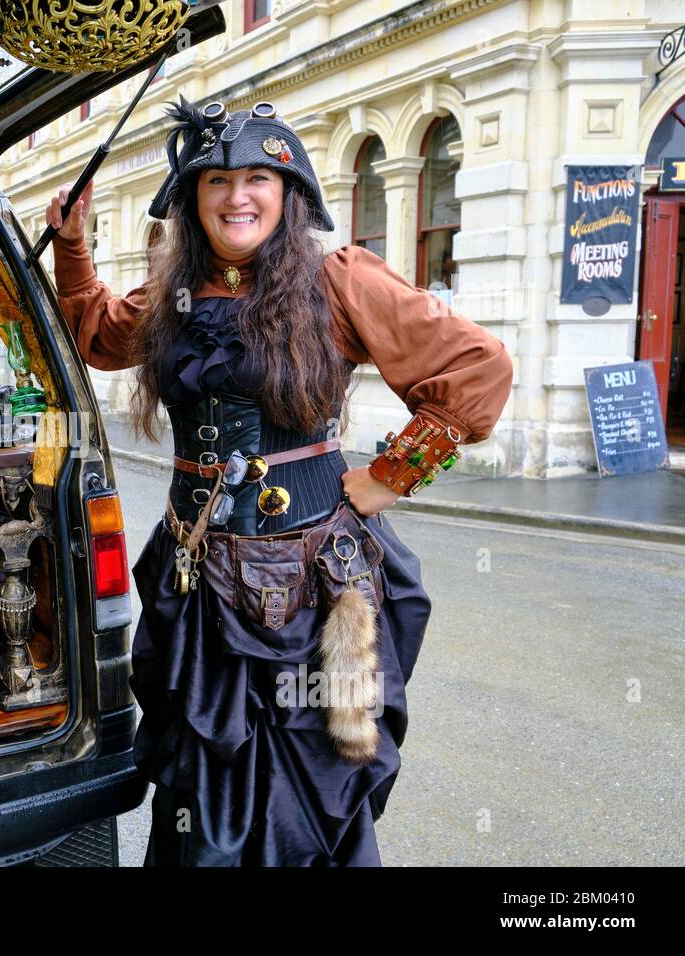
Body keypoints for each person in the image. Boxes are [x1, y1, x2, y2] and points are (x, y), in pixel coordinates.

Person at [45, 97, 513, 866]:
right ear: (192, 202)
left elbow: (478, 366)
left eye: (258, 177)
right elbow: (97, 333)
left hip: (309, 588)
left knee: (302, 786)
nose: (237, 195)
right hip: (198, 590)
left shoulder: (338, 282)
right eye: (217, 180)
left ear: (289, 193)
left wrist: (392, 476)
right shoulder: (175, 294)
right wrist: (71, 247)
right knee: (201, 782)